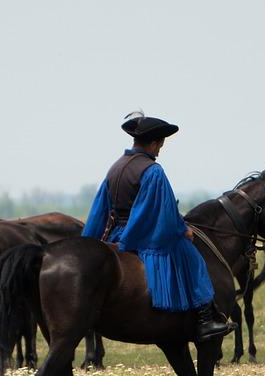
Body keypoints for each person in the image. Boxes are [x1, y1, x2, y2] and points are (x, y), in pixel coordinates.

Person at [82, 111, 233, 342]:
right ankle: (205, 320)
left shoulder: (115, 167)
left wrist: (90, 238)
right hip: (139, 234)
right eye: (160, 145)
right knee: (193, 258)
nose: (160, 149)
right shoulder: (153, 171)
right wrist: (183, 230)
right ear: (153, 143)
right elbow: (160, 212)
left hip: (116, 233)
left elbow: (99, 210)